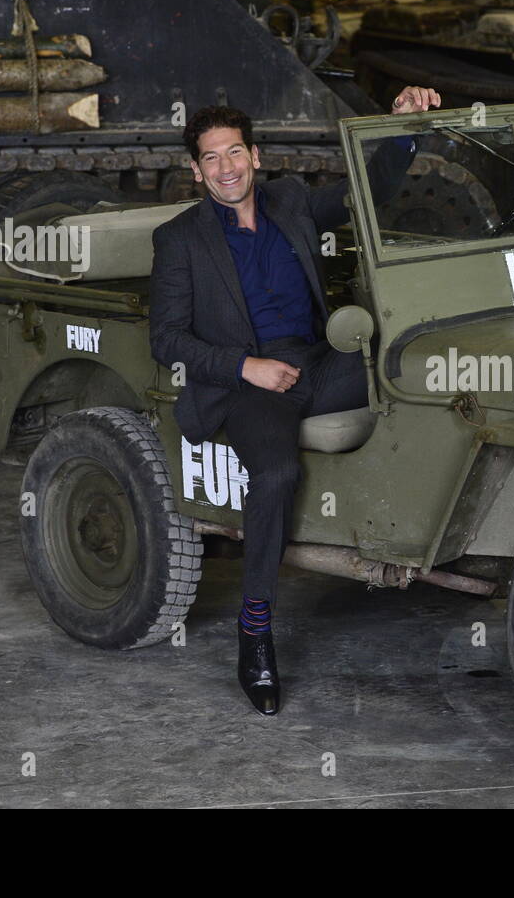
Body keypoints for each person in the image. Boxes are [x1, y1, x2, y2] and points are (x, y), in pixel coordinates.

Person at [149, 86, 442, 715]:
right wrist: (246, 367)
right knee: (277, 471)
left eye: (235, 152)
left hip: (316, 362)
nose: (226, 167)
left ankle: (422, 533)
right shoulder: (181, 238)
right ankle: (255, 631)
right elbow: (165, 339)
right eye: (211, 159)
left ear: (255, 156)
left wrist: (400, 130)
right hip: (244, 382)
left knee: (417, 370)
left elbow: (372, 193)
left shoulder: (291, 202)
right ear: (196, 171)